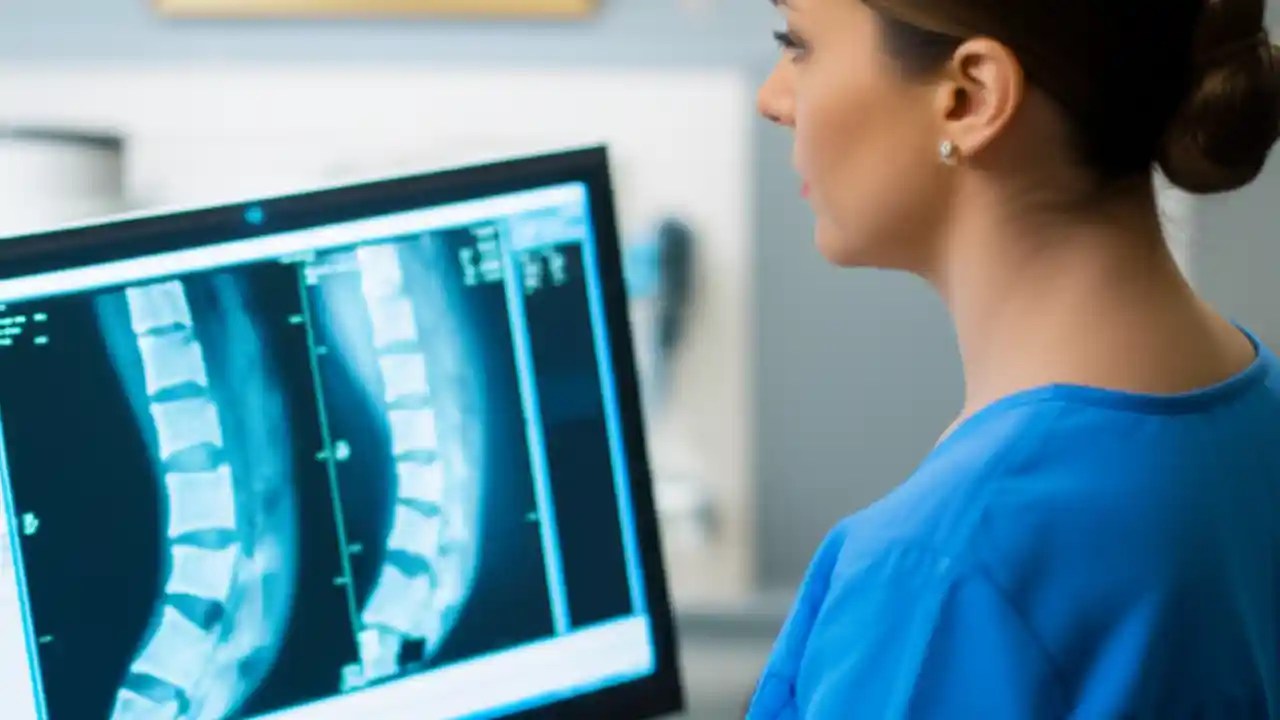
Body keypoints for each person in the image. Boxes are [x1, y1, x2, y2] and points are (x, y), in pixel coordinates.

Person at [751, 0, 1280, 717]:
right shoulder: (1253, 412)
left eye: (799, 45)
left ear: (970, 97)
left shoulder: (947, 574)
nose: (772, 98)